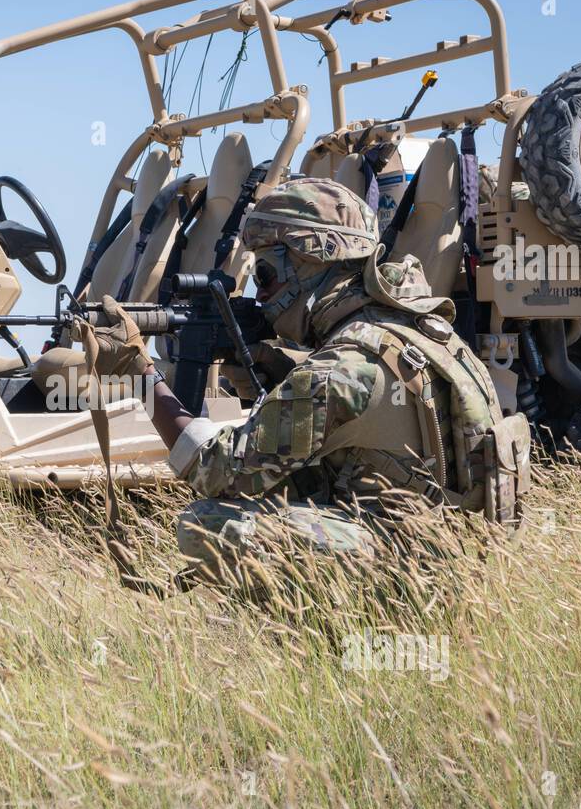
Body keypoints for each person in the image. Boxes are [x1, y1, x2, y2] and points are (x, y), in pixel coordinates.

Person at [76, 178, 531, 579]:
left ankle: (303, 644)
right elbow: (325, 450)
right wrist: (262, 369)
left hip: (411, 574)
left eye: (266, 273)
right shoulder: (429, 335)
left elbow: (216, 471)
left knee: (211, 525)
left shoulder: (344, 365)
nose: (260, 292)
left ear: (312, 260)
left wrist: (139, 373)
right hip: (456, 561)